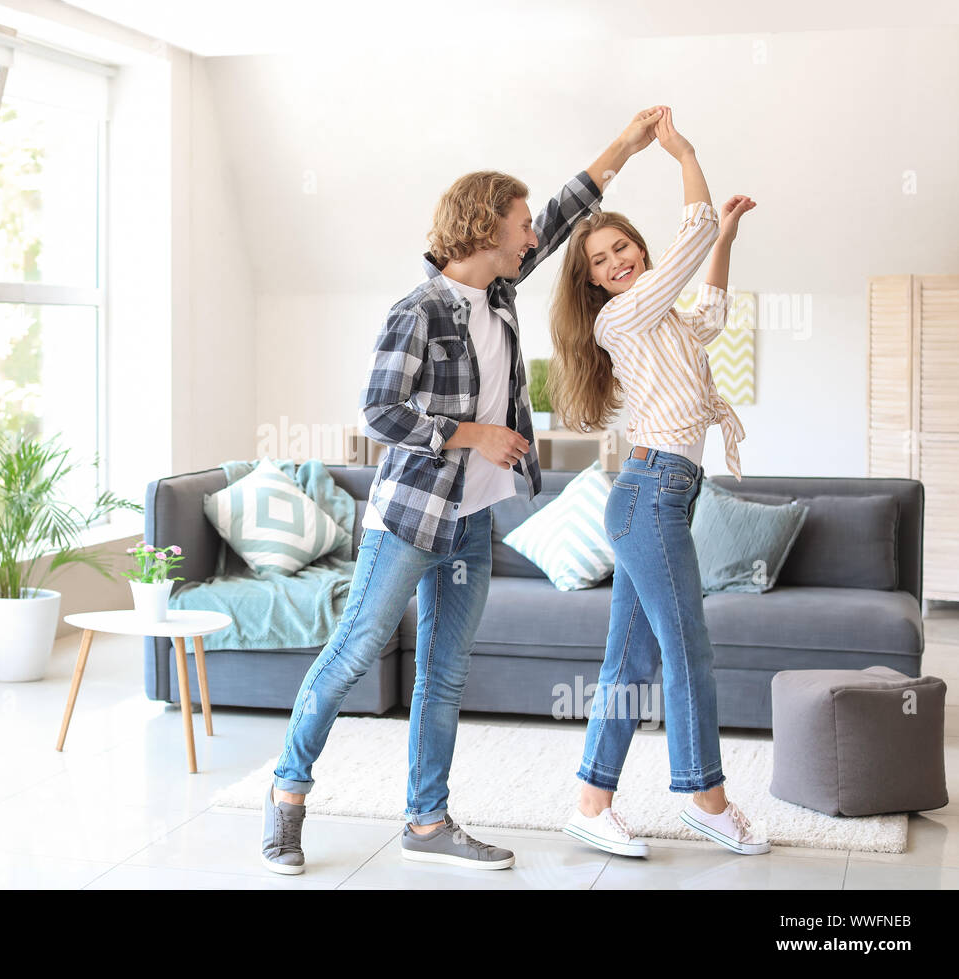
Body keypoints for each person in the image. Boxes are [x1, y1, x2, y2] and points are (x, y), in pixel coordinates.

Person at [260, 109, 667, 875]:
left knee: (445, 672)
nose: (530, 236)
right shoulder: (418, 311)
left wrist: (624, 148)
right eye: (517, 224)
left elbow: (563, 210)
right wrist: (472, 433)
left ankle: (426, 820)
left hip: (471, 518)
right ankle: (286, 797)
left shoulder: (502, 294)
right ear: (485, 229)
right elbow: (379, 412)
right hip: (409, 519)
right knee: (352, 652)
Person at [547, 106, 769, 857]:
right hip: (648, 495)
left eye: (622, 248)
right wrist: (683, 154)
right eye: (600, 262)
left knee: (632, 660)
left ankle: (591, 799)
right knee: (688, 647)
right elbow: (694, 227)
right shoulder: (623, 319)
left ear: (637, 248)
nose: (616, 262)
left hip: (659, 494)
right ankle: (706, 795)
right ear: (594, 284)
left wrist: (728, 241)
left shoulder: (663, 317)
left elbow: (708, 309)